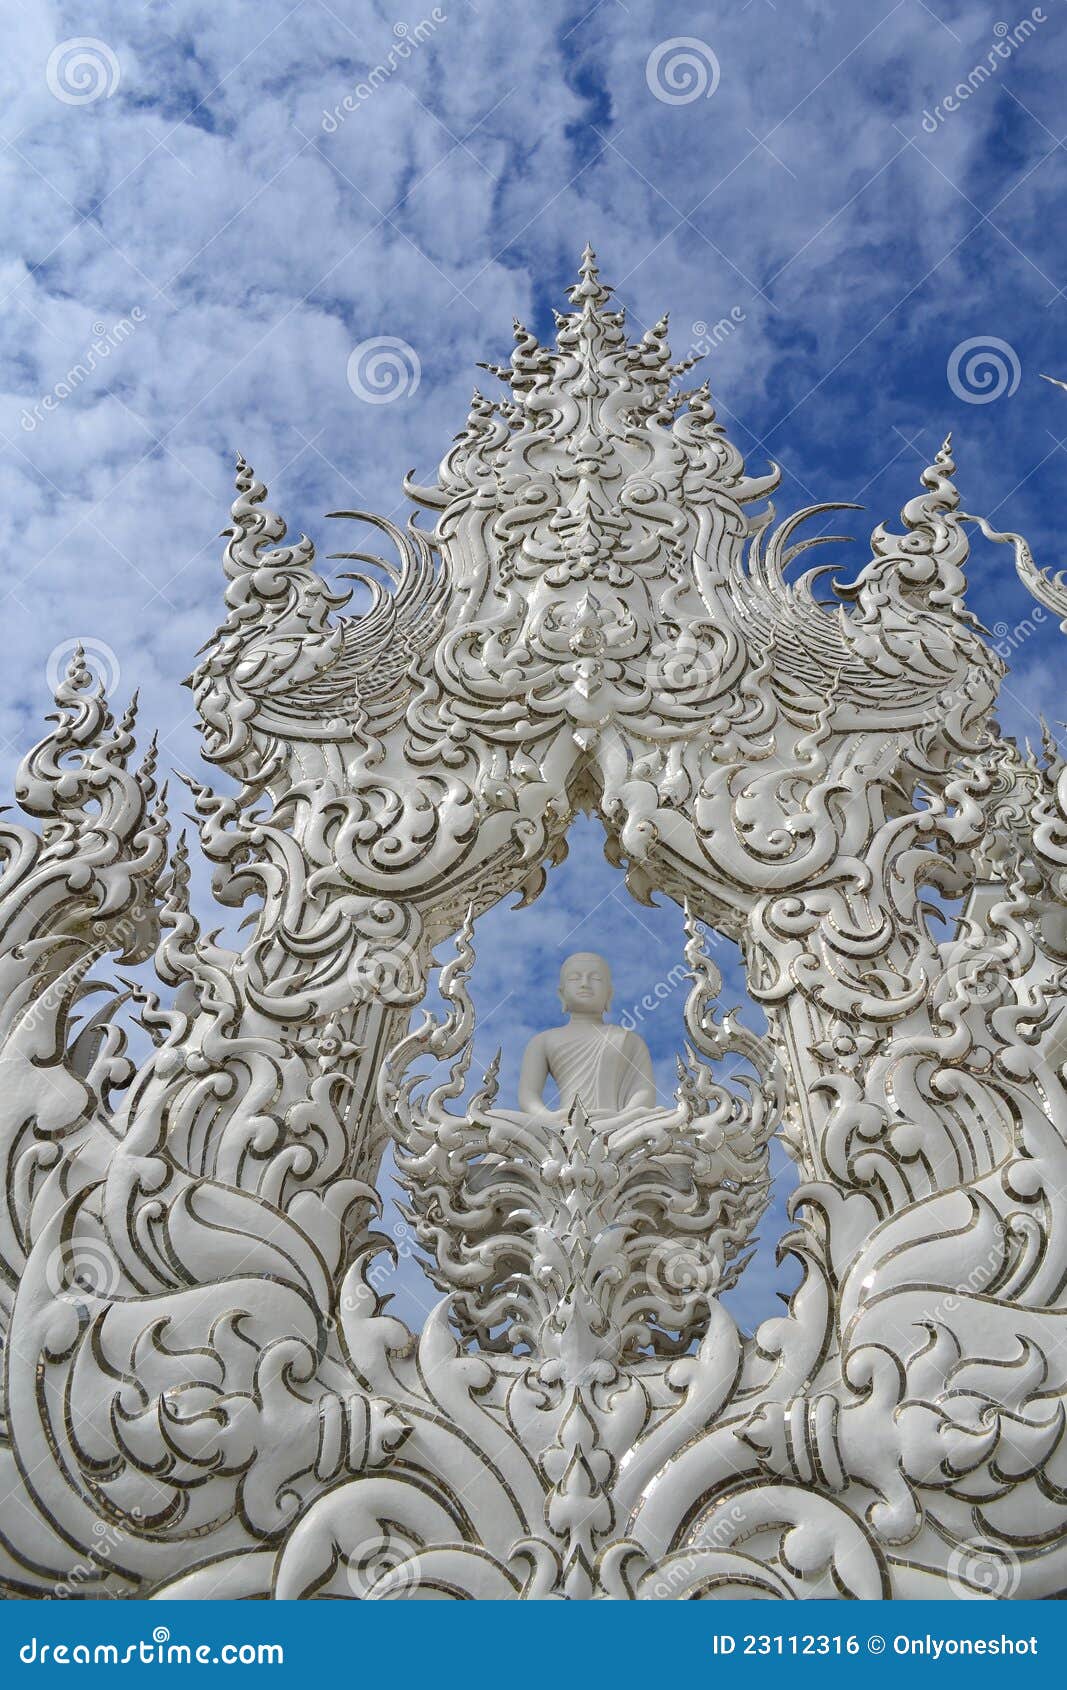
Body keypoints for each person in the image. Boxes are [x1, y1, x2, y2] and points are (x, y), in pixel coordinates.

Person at [517, 951, 656, 1119]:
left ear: (609, 994)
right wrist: (548, 1118)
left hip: (616, 1125)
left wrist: (624, 1118)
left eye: (596, 979)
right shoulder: (543, 1041)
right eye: (575, 978)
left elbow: (644, 1091)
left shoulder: (629, 1040)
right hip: (564, 1125)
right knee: (501, 1118)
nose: (585, 984)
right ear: (562, 994)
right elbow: (528, 1095)